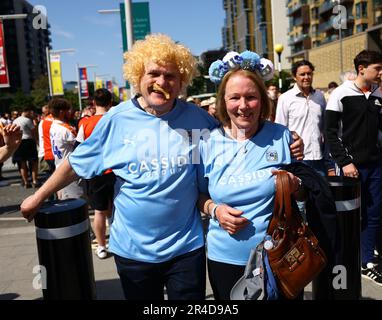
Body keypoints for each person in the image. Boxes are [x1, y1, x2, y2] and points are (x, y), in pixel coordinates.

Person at [20, 34, 304, 300]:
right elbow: (75, 164)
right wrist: (39, 195)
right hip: (132, 251)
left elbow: (235, 132)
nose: (161, 82)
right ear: (138, 77)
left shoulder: (198, 120)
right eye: (153, 73)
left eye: (170, 76)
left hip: (186, 250)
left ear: (181, 82)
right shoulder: (117, 120)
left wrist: (285, 142)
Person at [197, 50, 306, 300]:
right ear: (223, 101)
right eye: (235, 97)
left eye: (251, 97)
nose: (243, 106)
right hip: (225, 258)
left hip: (279, 255)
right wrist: (215, 210)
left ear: (263, 100)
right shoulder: (206, 143)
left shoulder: (283, 137)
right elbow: (197, 195)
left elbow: (304, 192)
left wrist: (296, 184)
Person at [325, 50, 382, 285]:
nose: (381, 73)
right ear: (362, 69)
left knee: (375, 213)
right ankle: (344, 258)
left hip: (376, 166)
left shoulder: (379, 94)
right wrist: (345, 162)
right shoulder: (340, 94)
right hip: (350, 167)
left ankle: (366, 260)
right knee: (348, 215)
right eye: (377, 68)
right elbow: (329, 133)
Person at [75, 88, 115, 260]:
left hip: (95, 172)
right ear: (110, 102)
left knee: (99, 211)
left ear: (93, 103)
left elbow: (79, 148)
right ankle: (117, 241)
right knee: (116, 209)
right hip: (115, 170)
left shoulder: (85, 123)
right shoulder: (116, 119)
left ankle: (101, 246)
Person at [275, 60, 326, 176]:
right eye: (302, 74)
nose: (306, 77)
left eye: (309, 74)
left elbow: (324, 127)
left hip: (319, 158)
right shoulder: (285, 98)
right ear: (294, 77)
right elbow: (280, 129)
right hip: (298, 159)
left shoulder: (319, 96)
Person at [12, 107, 39, 188]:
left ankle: (26, 182)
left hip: (19, 142)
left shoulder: (15, 120)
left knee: (22, 163)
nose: (31, 114)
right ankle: (34, 181)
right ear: (26, 112)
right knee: (33, 162)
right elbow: (33, 131)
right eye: (30, 112)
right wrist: (37, 141)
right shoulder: (27, 120)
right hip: (28, 141)